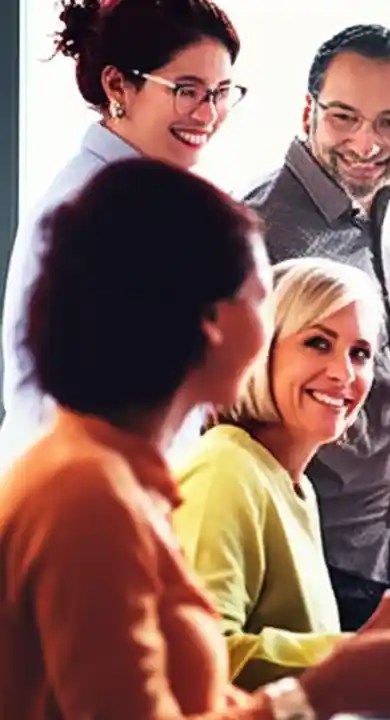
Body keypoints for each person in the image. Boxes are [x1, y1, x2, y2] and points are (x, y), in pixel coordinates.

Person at [0, 158, 390, 720]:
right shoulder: (90, 494)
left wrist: (351, 666)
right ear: (206, 320)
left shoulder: (123, 479)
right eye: (259, 297)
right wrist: (324, 690)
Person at [0, 0, 248, 469]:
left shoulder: (147, 197)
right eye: (187, 91)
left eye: (220, 93)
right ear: (118, 85)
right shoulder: (93, 210)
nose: (208, 114)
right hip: (80, 483)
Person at [174, 258, 390, 690]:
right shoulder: (225, 467)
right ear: (260, 350)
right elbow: (201, 657)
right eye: (317, 343)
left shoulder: (297, 487)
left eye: (360, 353)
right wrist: (358, 651)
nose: (343, 373)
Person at [241, 24, 390, 629]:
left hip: (377, 563)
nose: (366, 142)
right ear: (308, 112)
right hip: (298, 572)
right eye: (344, 117)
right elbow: (210, 420)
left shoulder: (381, 231)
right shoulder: (255, 233)